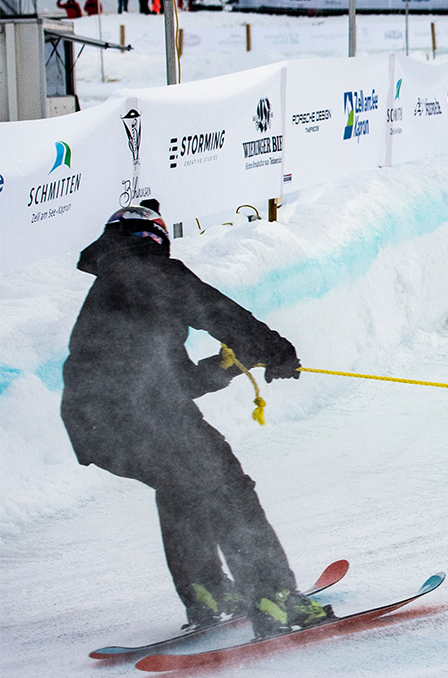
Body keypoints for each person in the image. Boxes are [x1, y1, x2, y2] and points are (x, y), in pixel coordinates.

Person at [60, 205, 333, 636]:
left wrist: (226, 367)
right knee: (226, 489)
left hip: (96, 425)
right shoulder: (149, 271)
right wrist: (274, 349)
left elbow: (176, 379)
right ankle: (274, 599)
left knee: (183, 488)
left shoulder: (113, 288)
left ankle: (209, 593)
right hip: (144, 416)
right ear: (153, 238)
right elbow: (216, 311)